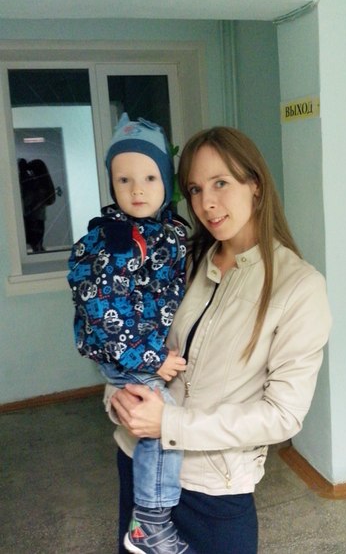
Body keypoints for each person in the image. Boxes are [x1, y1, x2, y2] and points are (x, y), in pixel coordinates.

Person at [106, 126, 332, 554]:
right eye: (195, 189)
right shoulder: (180, 259)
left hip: (213, 487)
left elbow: (283, 415)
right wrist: (117, 397)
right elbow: (130, 337)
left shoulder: (299, 287)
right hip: (140, 460)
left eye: (221, 183)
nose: (206, 203)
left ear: (255, 185)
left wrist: (169, 424)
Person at [67, 114, 192, 554]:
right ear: (112, 185)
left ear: (167, 183)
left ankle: (151, 518)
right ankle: (150, 523)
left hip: (144, 348)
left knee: (161, 420)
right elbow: (106, 314)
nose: (137, 190)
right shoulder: (116, 239)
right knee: (162, 422)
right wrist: (152, 358)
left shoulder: (167, 230)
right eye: (124, 180)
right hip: (130, 355)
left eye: (150, 178)